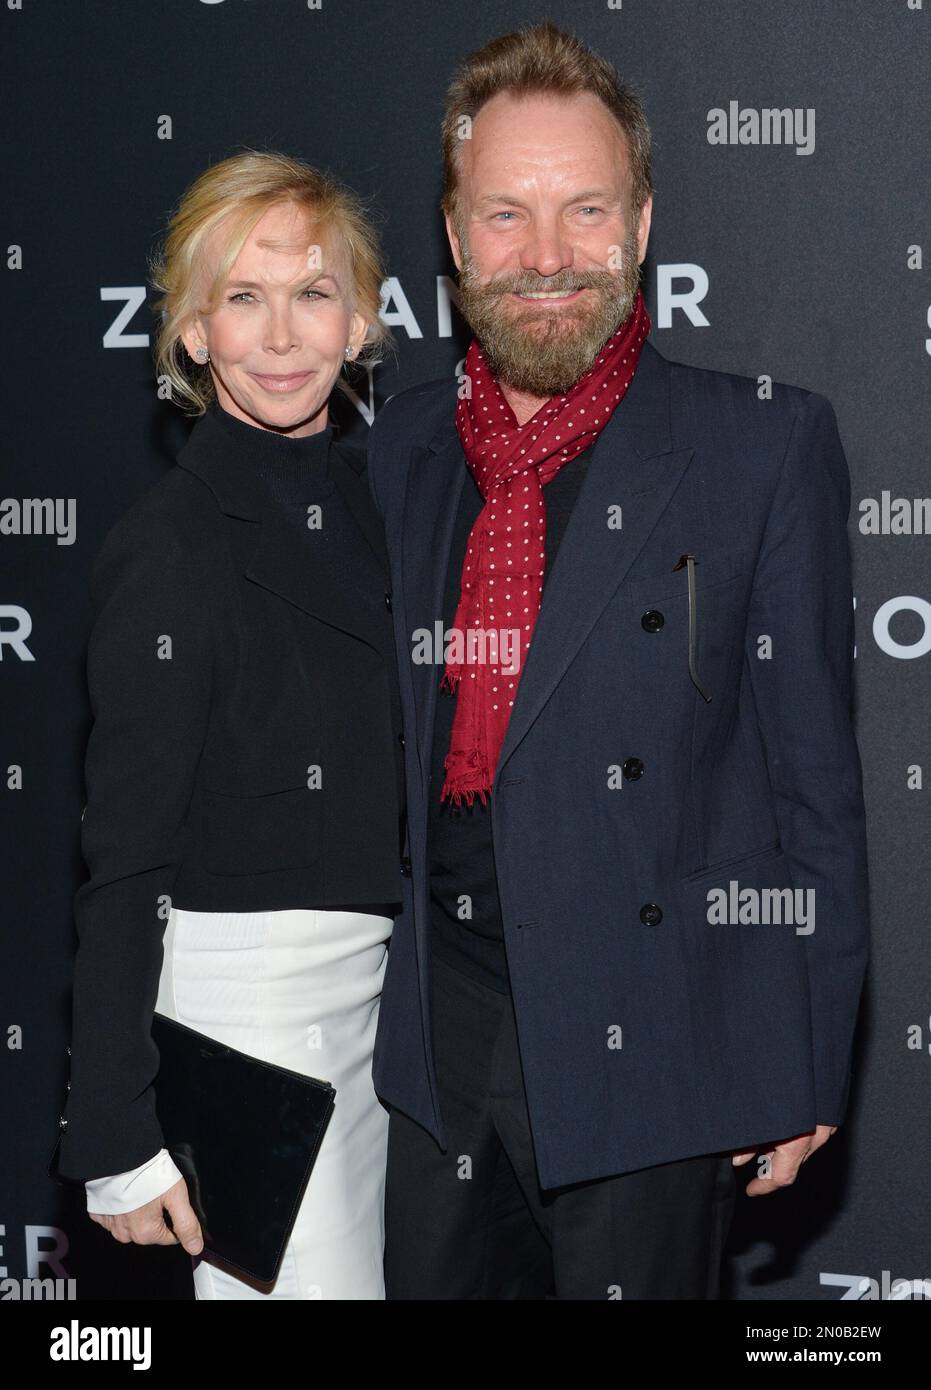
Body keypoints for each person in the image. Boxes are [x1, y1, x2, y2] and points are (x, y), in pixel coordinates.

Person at [366, 22, 870, 1299]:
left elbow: (813, 786)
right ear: (453, 232)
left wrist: (803, 1052)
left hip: (656, 1046)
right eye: (505, 215)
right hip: (436, 1049)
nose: (545, 258)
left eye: (585, 210)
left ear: (640, 226)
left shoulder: (760, 448)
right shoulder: (389, 450)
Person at [55, 150, 407, 1300]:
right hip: (244, 1025)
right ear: (194, 333)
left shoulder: (393, 510)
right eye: (243, 298)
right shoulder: (168, 547)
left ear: (359, 320)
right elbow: (125, 856)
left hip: (385, 1023)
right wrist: (113, 1124)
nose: (282, 333)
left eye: (312, 293)